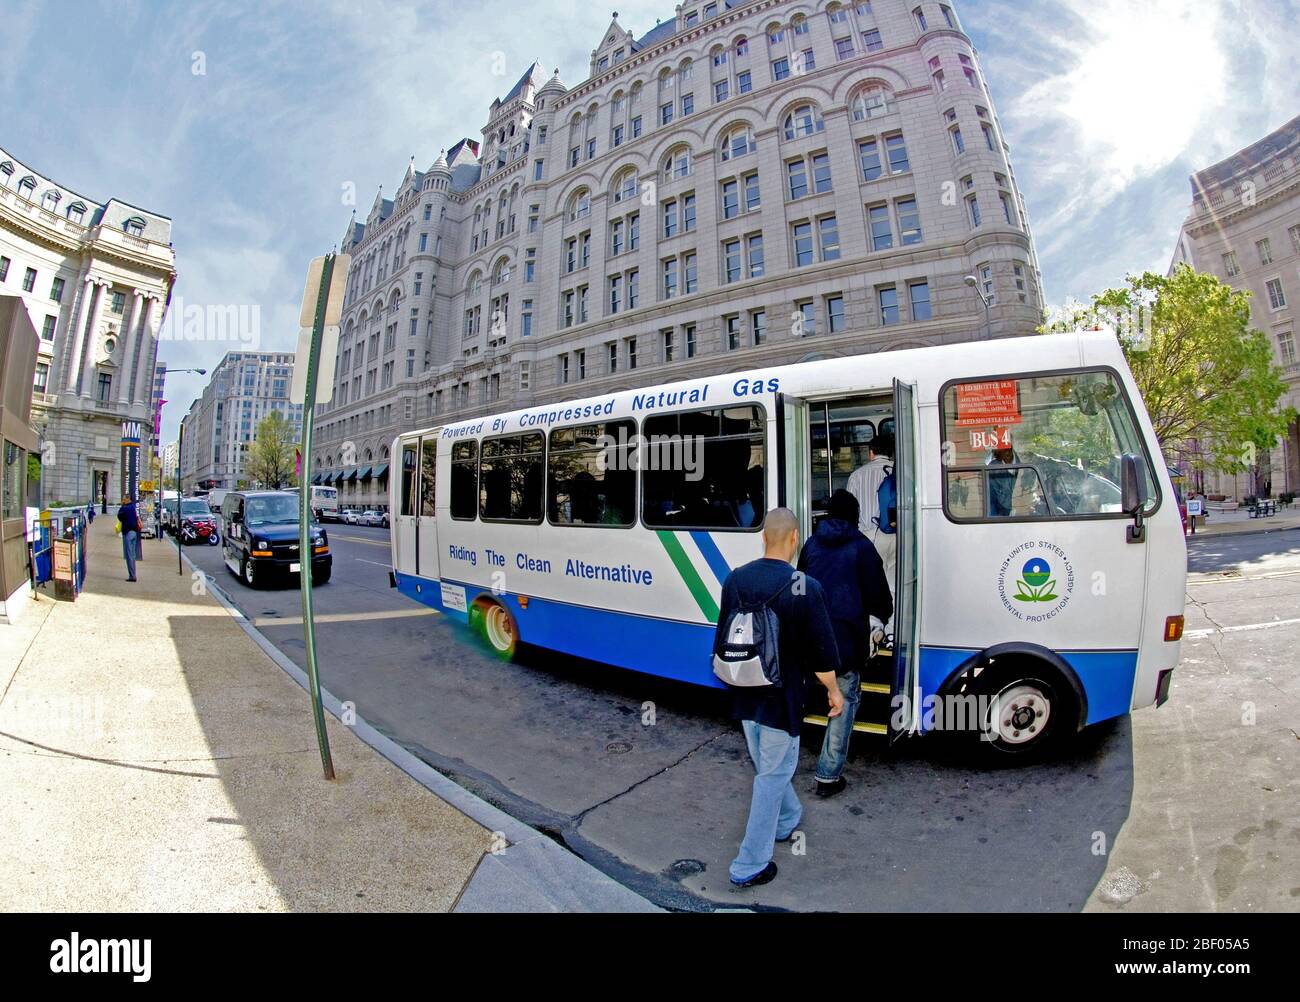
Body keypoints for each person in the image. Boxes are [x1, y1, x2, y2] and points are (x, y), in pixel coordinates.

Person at [714, 507, 843, 888]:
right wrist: (834, 692)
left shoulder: (735, 580)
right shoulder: (805, 586)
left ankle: (787, 820)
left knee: (771, 768)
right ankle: (749, 864)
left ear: (763, 537)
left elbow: (724, 637)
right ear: (794, 538)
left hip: (743, 693)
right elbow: (822, 654)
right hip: (782, 700)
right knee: (771, 775)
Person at [797, 490, 893, 797]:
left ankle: (781, 764)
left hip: (811, 639)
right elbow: (879, 598)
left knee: (802, 692)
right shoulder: (862, 547)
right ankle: (828, 776)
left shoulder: (811, 544)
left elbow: (800, 586)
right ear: (854, 515)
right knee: (844, 700)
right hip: (845, 642)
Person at [846, 432, 897, 608]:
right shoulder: (900, 472)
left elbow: (850, 512)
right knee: (894, 583)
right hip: (898, 534)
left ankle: (875, 626)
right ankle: (892, 626)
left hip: (869, 536)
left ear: (871, 452)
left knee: (872, 583)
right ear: (891, 452)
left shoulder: (857, 475)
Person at [117, 496, 140, 582]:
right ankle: (133, 574)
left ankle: (132, 576)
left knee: (129, 555)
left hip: (128, 532)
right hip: (134, 532)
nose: (122, 500)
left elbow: (119, 516)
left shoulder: (125, 508)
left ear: (127, 499)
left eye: (123, 499)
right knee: (133, 555)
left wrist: (122, 506)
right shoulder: (133, 507)